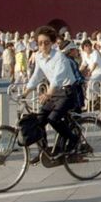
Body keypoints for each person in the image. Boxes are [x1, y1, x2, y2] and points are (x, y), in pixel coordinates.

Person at [22, 26, 80, 160]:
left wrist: (48, 94)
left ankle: (73, 139)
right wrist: (25, 93)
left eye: (46, 42)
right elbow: (37, 75)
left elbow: (57, 79)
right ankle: (43, 151)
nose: (43, 46)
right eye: (40, 43)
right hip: (54, 92)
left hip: (67, 91)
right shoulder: (38, 56)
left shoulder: (59, 57)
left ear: (52, 42)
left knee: (53, 119)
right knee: (39, 121)